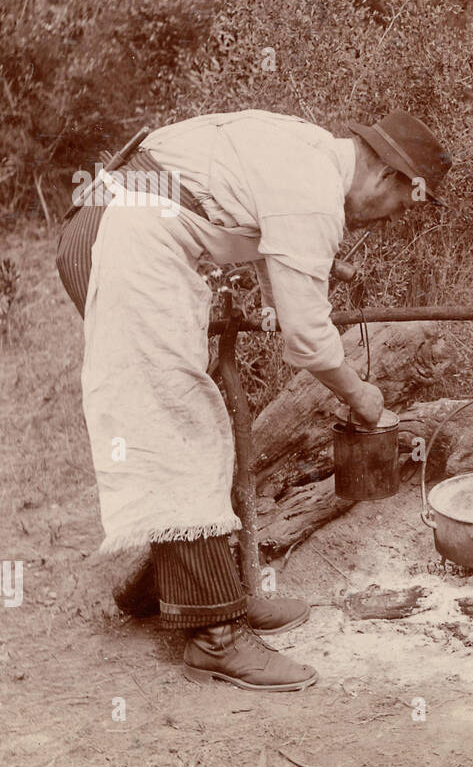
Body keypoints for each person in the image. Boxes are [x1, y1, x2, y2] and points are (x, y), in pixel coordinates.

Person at [55, 110, 451, 691]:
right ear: (385, 176)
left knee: (184, 422)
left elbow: (257, 231)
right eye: (401, 205)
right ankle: (216, 638)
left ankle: (212, 597)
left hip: (118, 223)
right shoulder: (314, 193)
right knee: (178, 425)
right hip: (120, 237)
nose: (391, 220)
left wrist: (306, 270)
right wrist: (363, 396)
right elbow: (309, 337)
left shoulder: (313, 156)